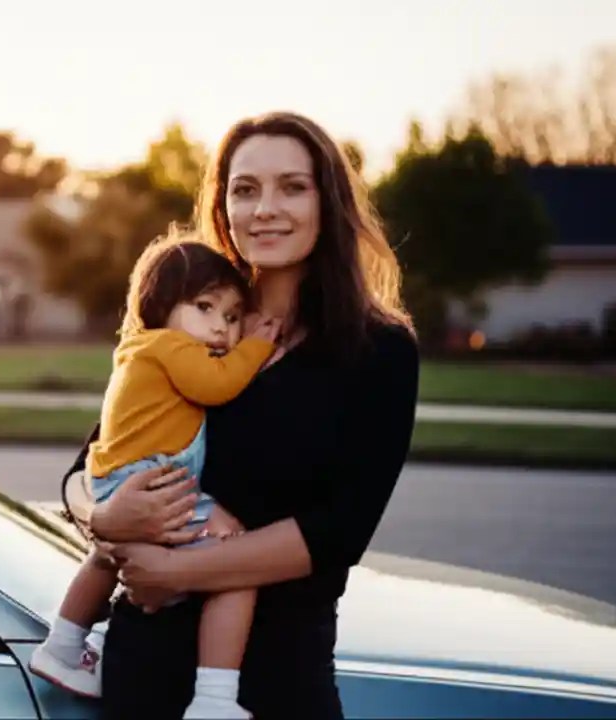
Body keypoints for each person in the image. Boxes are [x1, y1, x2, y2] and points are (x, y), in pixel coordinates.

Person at [65, 111, 420, 719]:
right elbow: (88, 464)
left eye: (292, 186)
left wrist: (178, 569)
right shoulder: (194, 317)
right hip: (141, 674)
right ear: (223, 203)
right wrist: (104, 514)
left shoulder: (377, 349)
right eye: (245, 189)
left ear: (327, 201)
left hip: (275, 684)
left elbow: (338, 532)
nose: (264, 209)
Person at [29, 238, 280, 719]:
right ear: (160, 304)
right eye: (204, 307)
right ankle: (214, 700)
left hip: (117, 477)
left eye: (231, 316)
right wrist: (255, 347)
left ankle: (63, 645)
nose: (219, 327)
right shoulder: (171, 347)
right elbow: (219, 385)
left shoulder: (141, 349)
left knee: (105, 555)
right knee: (236, 567)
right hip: (147, 480)